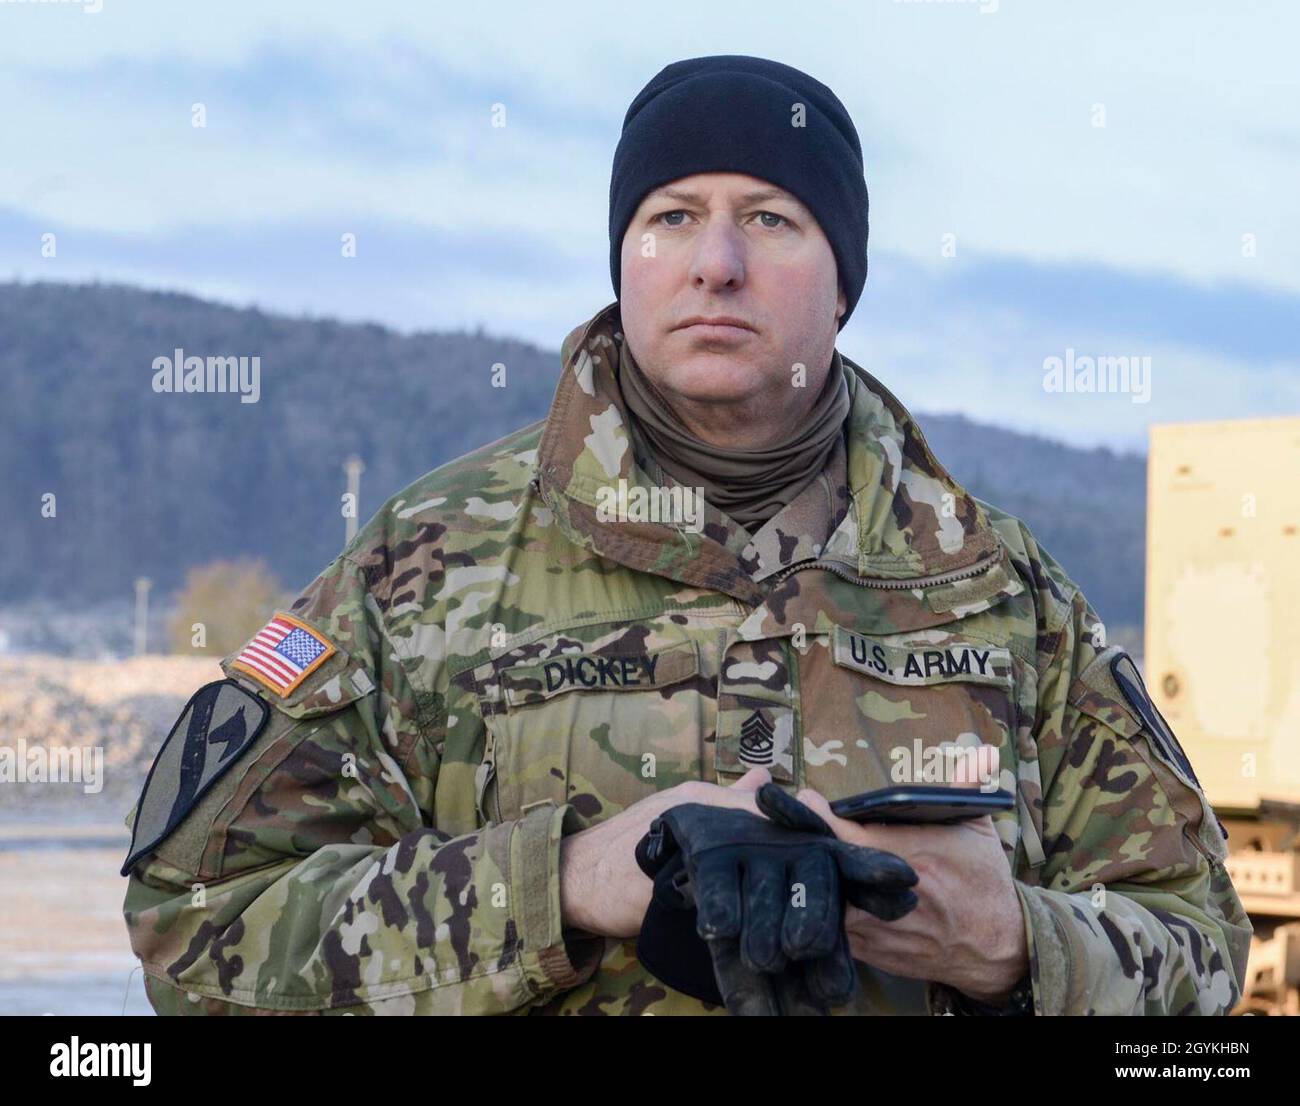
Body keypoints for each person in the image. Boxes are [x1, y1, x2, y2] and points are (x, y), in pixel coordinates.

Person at [121, 54, 1250, 1016]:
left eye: (770, 217)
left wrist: (1012, 943)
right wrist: (562, 878)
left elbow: (1201, 943)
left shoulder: (994, 587)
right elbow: (198, 922)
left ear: (844, 281)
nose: (717, 262)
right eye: (671, 218)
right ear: (624, 258)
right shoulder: (426, 567)